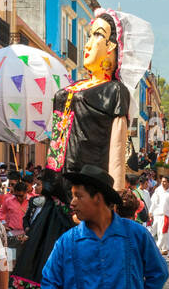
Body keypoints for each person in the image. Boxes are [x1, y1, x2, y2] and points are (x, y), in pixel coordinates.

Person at [46, 10, 153, 194]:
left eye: (97, 35)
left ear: (112, 46)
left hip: (90, 190)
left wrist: (116, 192)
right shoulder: (72, 89)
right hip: (57, 189)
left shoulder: (114, 90)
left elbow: (117, 148)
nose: (87, 45)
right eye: (89, 35)